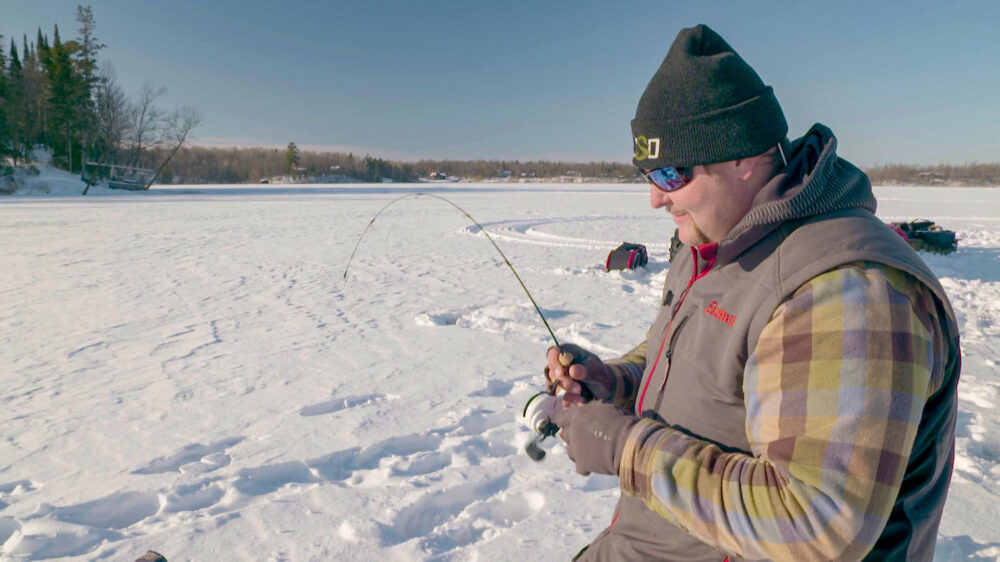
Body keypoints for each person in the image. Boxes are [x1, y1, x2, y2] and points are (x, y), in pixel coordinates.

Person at [545, 24, 960, 561]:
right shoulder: (712, 241)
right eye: (647, 173)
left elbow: (813, 526)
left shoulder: (848, 292)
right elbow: (702, 360)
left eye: (671, 173)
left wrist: (625, 448)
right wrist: (617, 380)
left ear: (741, 157)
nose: (653, 197)